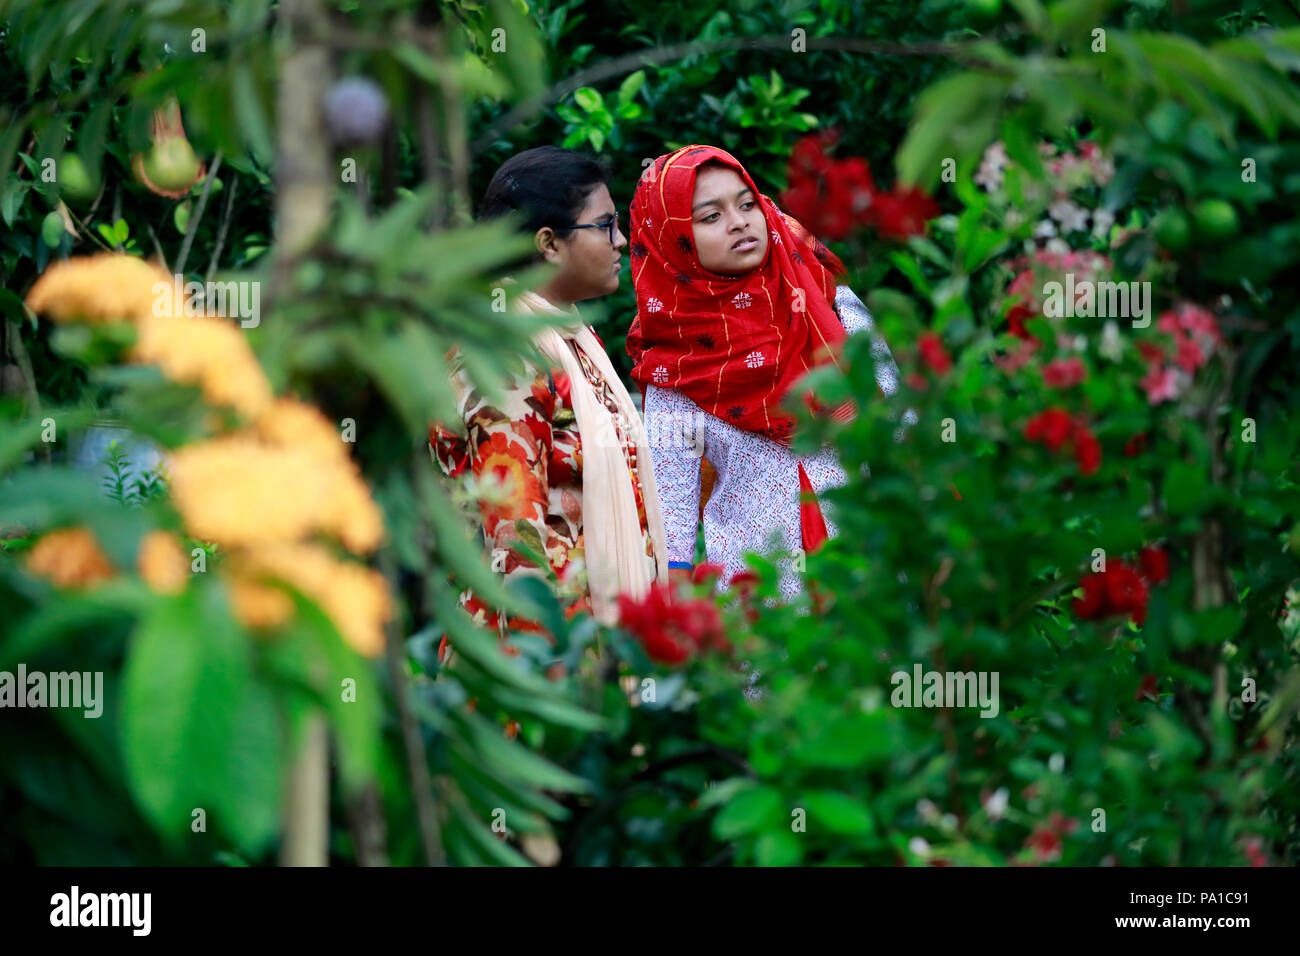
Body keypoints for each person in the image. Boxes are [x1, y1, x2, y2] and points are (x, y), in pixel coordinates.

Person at [626, 144, 903, 602]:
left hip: (874, 576)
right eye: (710, 217)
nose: (739, 222)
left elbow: (901, 433)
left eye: (747, 203)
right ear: (672, 240)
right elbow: (671, 521)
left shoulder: (831, 306)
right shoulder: (674, 364)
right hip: (763, 605)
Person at [431, 146, 669, 640]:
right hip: (541, 652)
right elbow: (516, 543)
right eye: (605, 226)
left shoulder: (569, 342)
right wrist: (553, 674)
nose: (621, 241)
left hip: (590, 642)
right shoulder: (509, 352)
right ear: (548, 243)